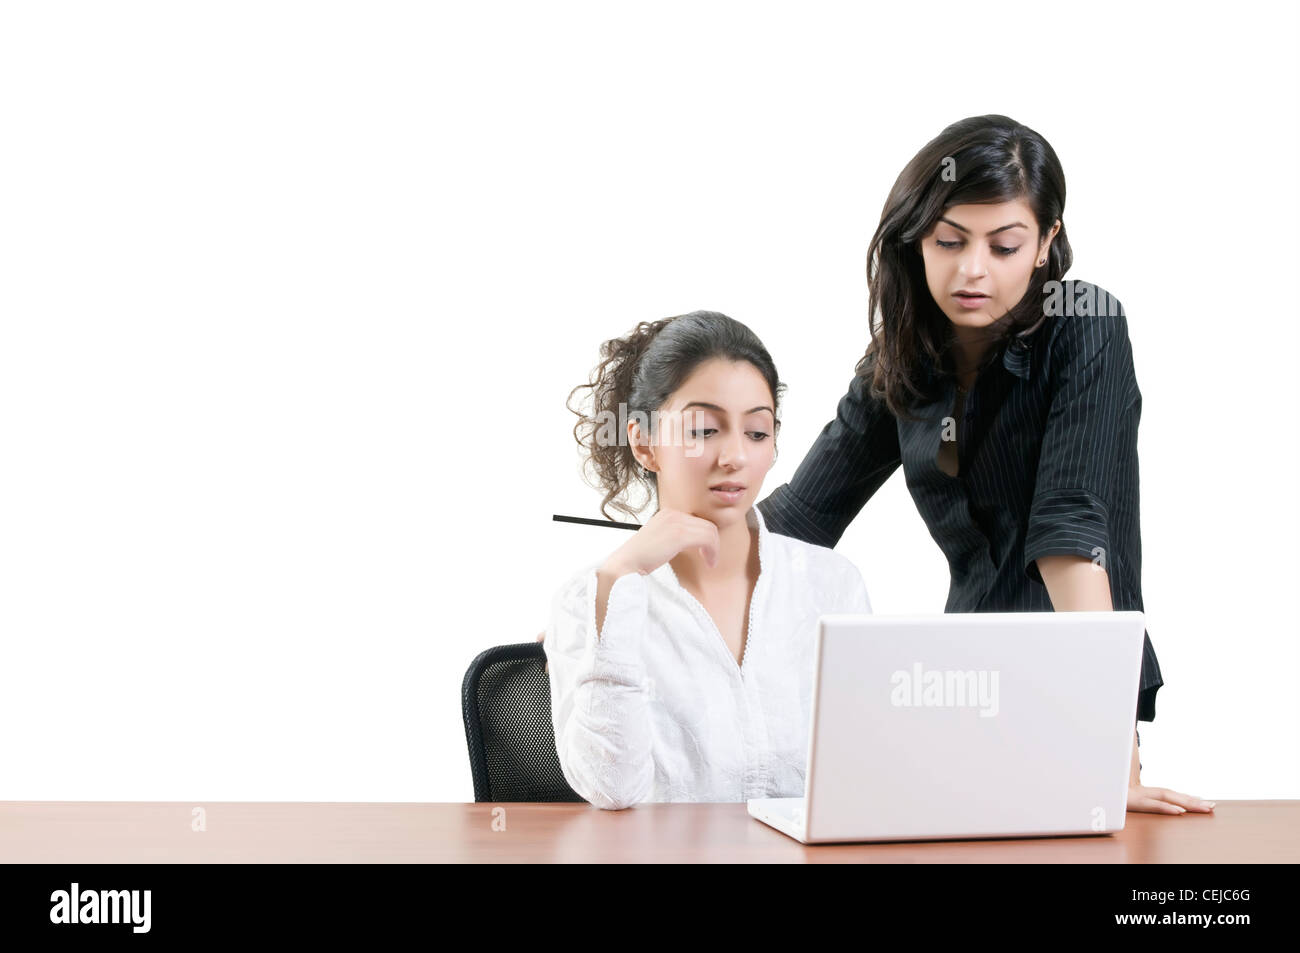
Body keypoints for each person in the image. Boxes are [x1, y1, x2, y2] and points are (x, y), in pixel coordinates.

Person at [755, 114, 1213, 816]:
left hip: (1071, 688)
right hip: (962, 682)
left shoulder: (1083, 322)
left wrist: (1109, 754)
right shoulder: (901, 359)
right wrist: (627, 586)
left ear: (1046, 243)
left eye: (1005, 245)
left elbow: (1072, 537)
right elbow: (795, 522)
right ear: (915, 241)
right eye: (949, 241)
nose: (974, 269)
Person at [543, 310, 872, 810]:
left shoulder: (831, 585)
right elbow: (613, 790)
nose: (734, 456)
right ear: (644, 442)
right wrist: (617, 582)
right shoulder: (587, 599)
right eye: (703, 430)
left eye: (757, 433)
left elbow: (865, 779)